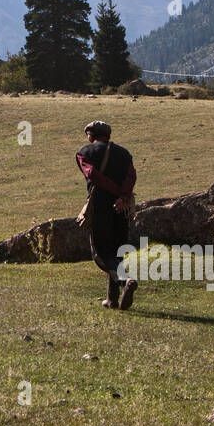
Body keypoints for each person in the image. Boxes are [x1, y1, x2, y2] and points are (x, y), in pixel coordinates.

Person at [75, 121, 138, 310]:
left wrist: (115, 192)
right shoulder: (125, 153)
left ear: (91, 135)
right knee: (117, 251)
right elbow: (132, 176)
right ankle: (112, 300)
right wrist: (123, 195)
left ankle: (125, 279)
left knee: (101, 253)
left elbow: (93, 174)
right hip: (122, 206)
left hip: (100, 204)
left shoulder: (84, 153)